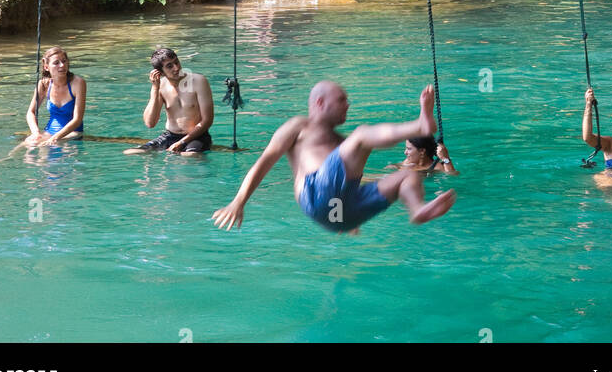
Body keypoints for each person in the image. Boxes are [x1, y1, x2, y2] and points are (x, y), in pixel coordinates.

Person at [212, 83, 456, 233]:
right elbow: (263, 163)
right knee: (362, 135)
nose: (347, 104)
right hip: (313, 193)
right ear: (319, 103)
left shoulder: (342, 144)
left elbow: (346, 181)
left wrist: (342, 218)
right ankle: (420, 125)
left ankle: (417, 209)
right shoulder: (299, 127)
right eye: (341, 100)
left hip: (342, 213)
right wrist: (238, 202)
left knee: (405, 176)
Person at [124, 46, 214, 154]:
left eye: (176, 62)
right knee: (131, 152)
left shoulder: (199, 81)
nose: (176, 68)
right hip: (170, 136)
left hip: (197, 136)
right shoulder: (160, 86)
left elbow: (207, 120)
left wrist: (181, 142)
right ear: (160, 72)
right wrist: (155, 88)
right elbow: (150, 123)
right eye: (169, 66)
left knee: (190, 155)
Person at [25, 46, 86, 144]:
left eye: (64, 61)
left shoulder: (78, 83)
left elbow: (77, 120)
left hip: (72, 133)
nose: (62, 65)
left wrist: (54, 138)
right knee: (28, 144)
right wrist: (36, 133)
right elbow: (30, 112)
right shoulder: (43, 84)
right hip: (49, 131)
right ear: (46, 67)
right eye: (56, 63)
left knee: (46, 145)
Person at [393, 134, 458, 176]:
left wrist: (445, 158)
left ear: (422, 151)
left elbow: (452, 176)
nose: (405, 152)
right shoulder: (410, 161)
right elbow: (393, 167)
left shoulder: (438, 167)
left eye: (409, 149)